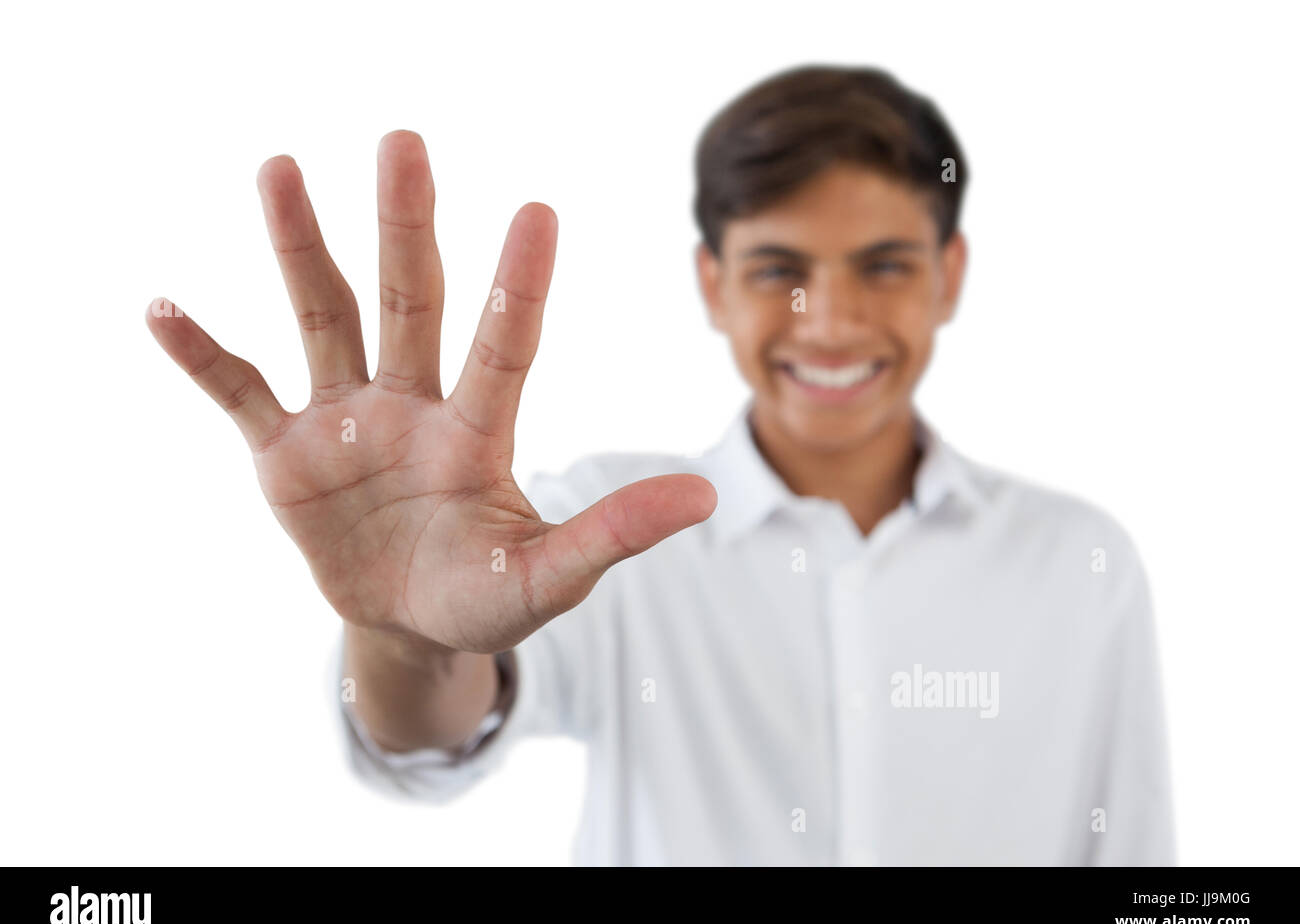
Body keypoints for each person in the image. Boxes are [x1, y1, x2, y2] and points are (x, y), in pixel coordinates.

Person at [145, 65, 1176, 866]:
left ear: (949, 275)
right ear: (710, 282)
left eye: (885, 265)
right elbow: (424, 736)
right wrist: (398, 628)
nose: (834, 321)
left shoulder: (1080, 561)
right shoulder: (601, 523)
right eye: (780, 270)